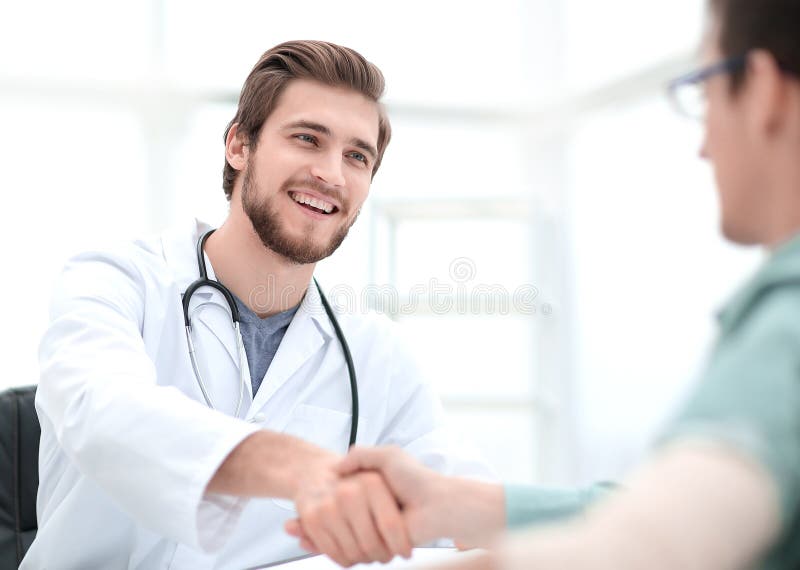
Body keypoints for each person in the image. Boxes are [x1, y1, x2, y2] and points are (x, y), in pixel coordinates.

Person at [289, 0, 800, 567]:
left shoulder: (786, 327)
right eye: (307, 139)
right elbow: (640, 510)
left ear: (763, 90)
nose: (703, 144)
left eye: (704, 92)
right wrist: (451, 501)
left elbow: (647, 546)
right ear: (237, 144)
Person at [25, 40, 490, 570]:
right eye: (307, 138)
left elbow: (462, 510)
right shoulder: (116, 280)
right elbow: (101, 408)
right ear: (239, 146)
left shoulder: (374, 350)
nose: (332, 174)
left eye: (357, 156)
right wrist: (299, 469)